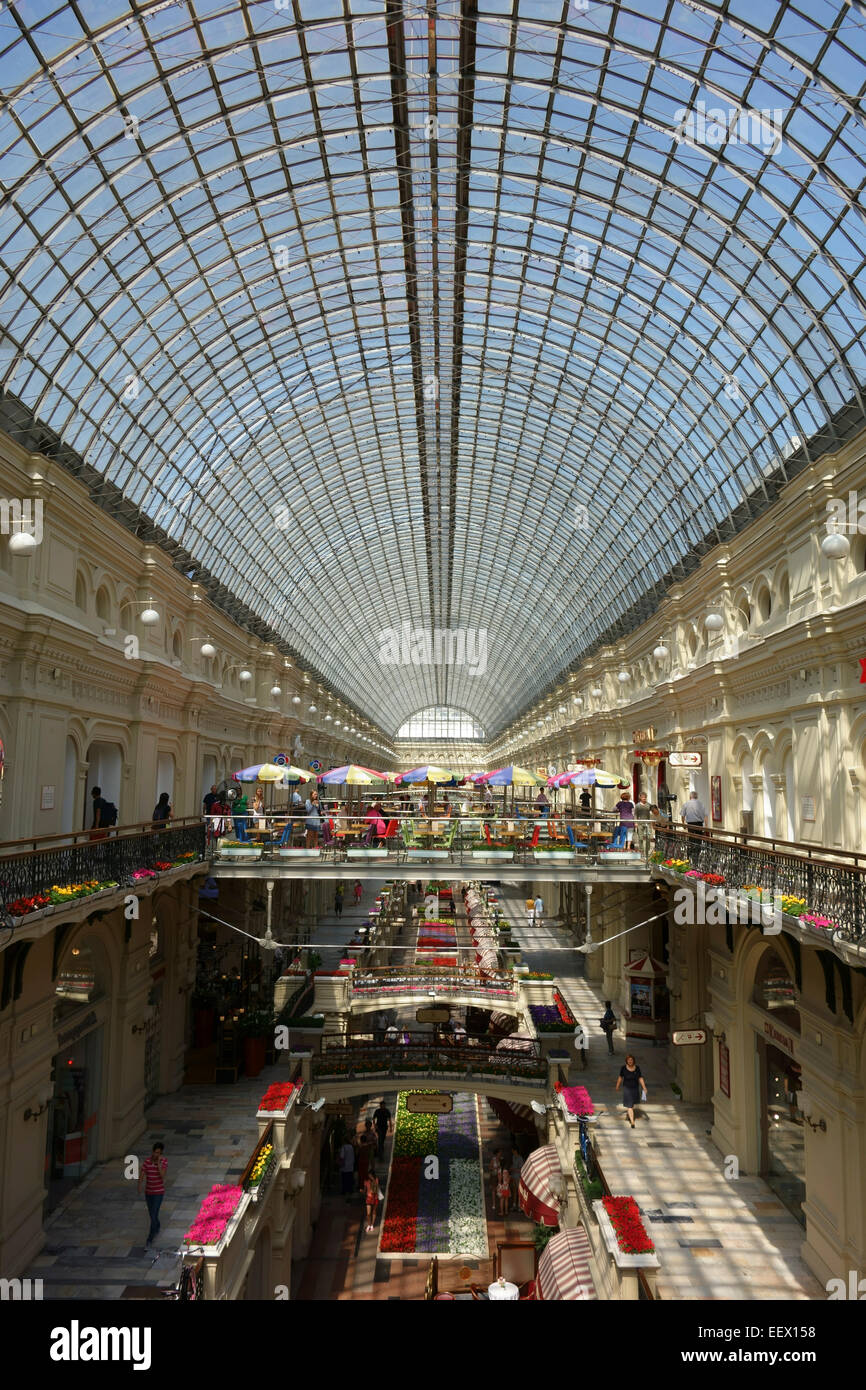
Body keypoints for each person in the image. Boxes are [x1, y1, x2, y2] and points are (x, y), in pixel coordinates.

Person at [137, 1141, 167, 1247]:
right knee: (152, 1215)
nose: (156, 1155)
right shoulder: (147, 1162)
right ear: (152, 1152)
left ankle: (149, 1239)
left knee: (154, 1214)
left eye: (159, 1153)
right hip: (149, 1192)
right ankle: (157, 1225)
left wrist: (158, 1165)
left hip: (158, 1193)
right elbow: (142, 1173)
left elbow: (162, 1175)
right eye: (155, 1152)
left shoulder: (163, 1162)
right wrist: (139, 1185)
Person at [616, 1053, 647, 1129]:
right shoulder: (623, 1068)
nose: (630, 1061)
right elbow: (620, 1077)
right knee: (630, 1106)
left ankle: (630, 1115)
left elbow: (640, 1078)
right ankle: (632, 1122)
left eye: (631, 1060)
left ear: (633, 1061)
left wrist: (644, 1087)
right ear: (626, 1061)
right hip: (627, 1089)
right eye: (628, 1060)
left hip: (635, 1088)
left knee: (632, 1104)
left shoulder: (637, 1068)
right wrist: (617, 1086)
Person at [633, 792, 652, 862]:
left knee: (648, 838)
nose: (644, 798)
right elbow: (635, 814)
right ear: (640, 798)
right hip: (640, 823)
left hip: (647, 823)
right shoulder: (637, 806)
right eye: (643, 797)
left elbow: (654, 810)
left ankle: (647, 852)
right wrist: (635, 822)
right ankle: (642, 852)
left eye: (645, 797)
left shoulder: (648, 805)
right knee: (640, 838)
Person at [357, 1119, 376, 1190]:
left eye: (369, 1125)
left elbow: (375, 1141)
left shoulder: (372, 1133)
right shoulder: (364, 1133)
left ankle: (372, 1173)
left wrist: (369, 1144)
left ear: (370, 1126)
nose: (368, 1127)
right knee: (363, 1171)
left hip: (370, 1150)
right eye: (367, 1125)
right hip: (364, 1155)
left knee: (370, 1165)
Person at [339, 1134, 356, 1199]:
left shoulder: (343, 1147)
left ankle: (344, 1190)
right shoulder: (351, 1147)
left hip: (345, 1166)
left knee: (344, 1179)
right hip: (350, 1166)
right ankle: (350, 1190)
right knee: (350, 1178)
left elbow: (342, 1156)